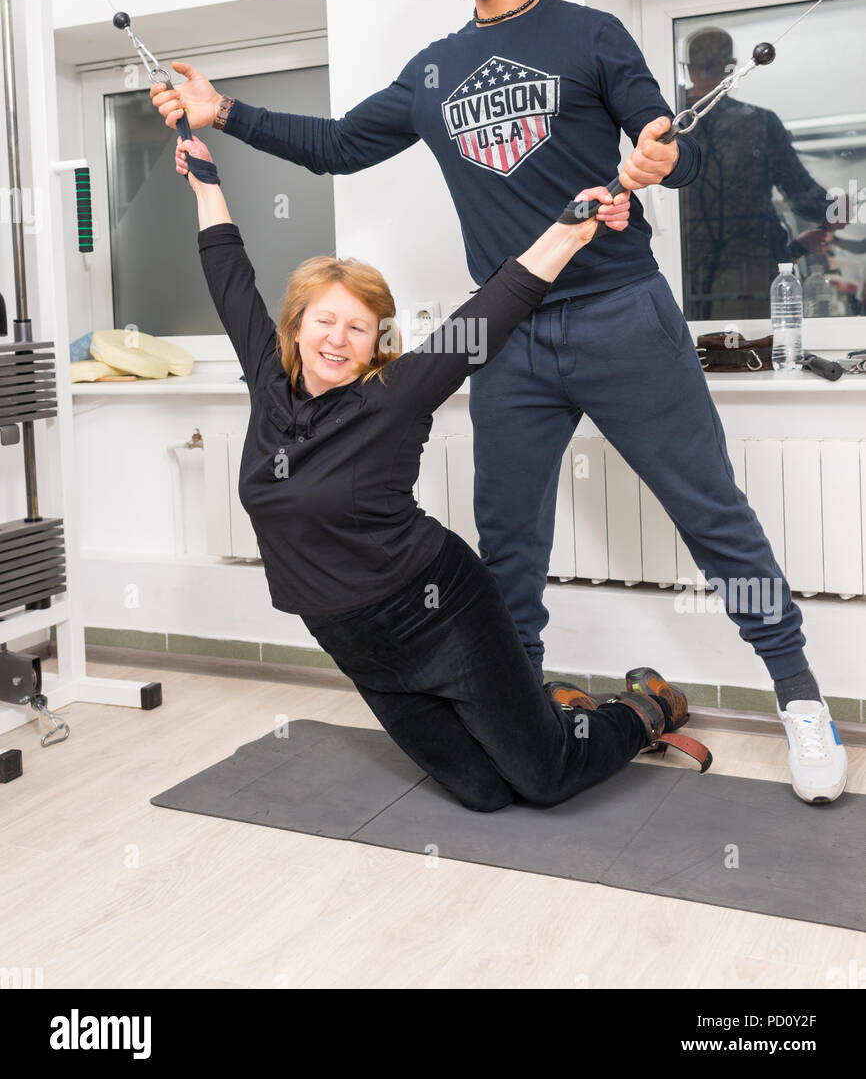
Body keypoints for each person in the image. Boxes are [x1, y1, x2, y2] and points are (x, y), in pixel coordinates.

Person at [152, 0, 847, 804]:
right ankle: (517, 706)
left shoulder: (589, 34)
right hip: (508, 333)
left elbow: (659, 135)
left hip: (620, 313)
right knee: (506, 539)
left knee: (711, 512)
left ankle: (800, 697)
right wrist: (222, 113)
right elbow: (337, 146)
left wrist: (657, 149)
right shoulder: (432, 70)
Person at [178, 127, 698, 812]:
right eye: (325, 321)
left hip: (440, 610)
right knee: (483, 792)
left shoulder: (397, 396)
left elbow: (497, 304)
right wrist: (204, 182)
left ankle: (641, 710)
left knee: (543, 782)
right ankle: (546, 712)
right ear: (297, 325)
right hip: (351, 639)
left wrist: (572, 230)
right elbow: (228, 272)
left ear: (376, 344)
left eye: (357, 328)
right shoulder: (268, 384)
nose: (337, 339)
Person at [677, 27, 848, 321]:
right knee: (758, 351)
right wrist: (835, 209)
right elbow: (802, 194)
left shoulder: (667, 125)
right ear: (731, 66)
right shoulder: (758, 123)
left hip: (681, 273)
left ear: (687, 69)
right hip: (751, 273)